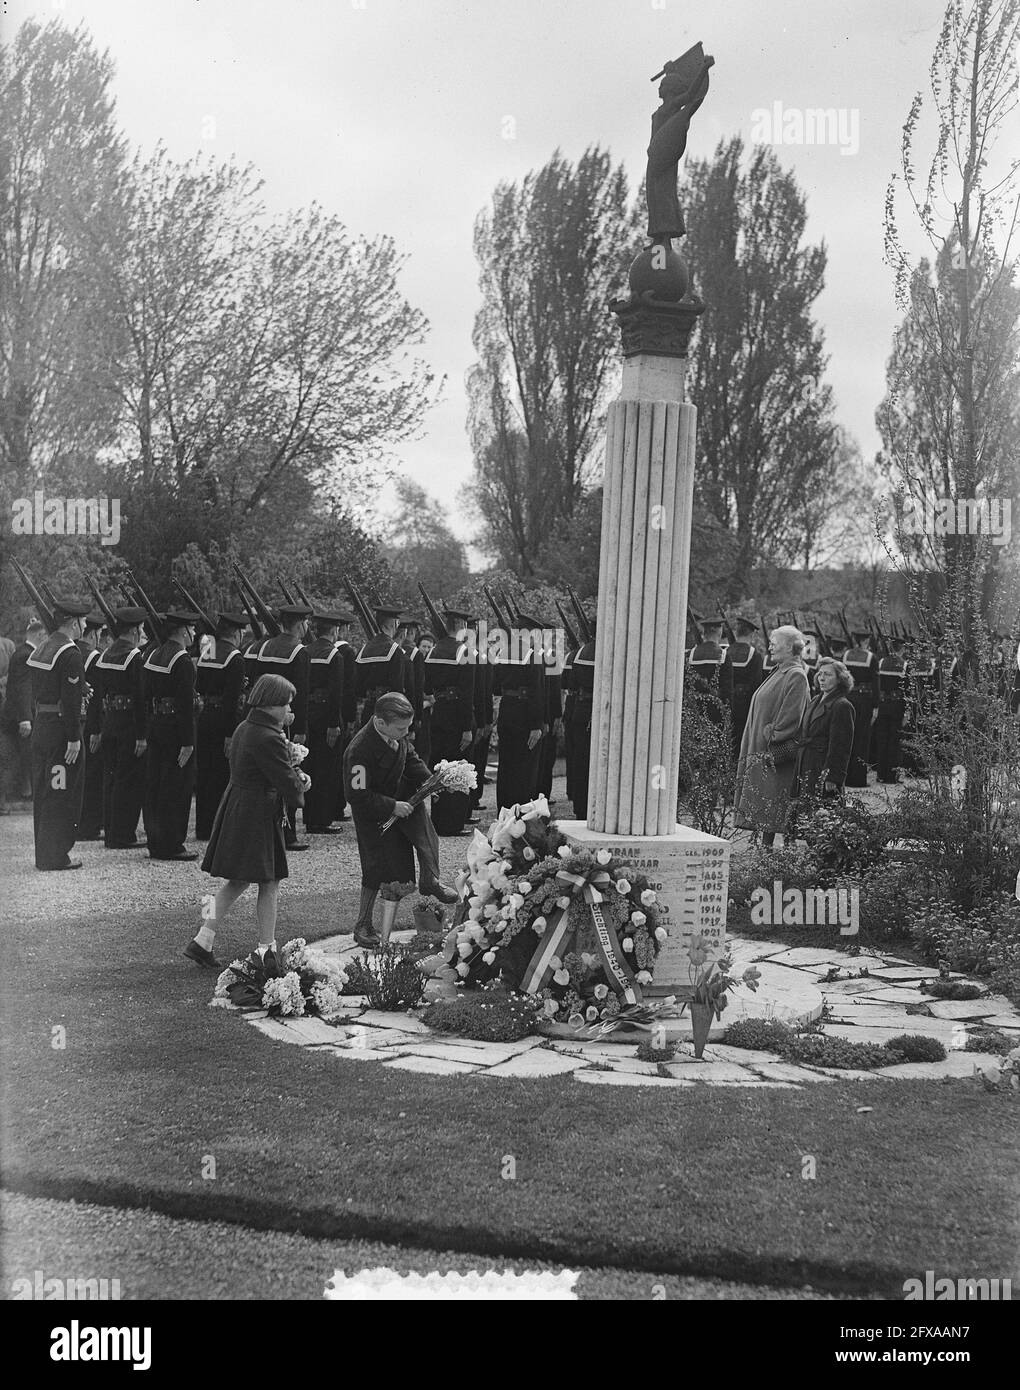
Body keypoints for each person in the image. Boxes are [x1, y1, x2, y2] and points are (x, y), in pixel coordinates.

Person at [187, 674, 311, 969]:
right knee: (269, 881)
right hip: (257, 811)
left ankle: (203, 938)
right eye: (287, 704)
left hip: (240, 805)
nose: (289, 711)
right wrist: (302, 781)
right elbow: (289, 787)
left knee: (237, 881)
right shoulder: (268, 737)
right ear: (272, 705)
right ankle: (266, 950)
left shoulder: (246, 727)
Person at [343, 691, 457, 950]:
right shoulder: (358, 751)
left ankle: (431, 881)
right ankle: (363, 924)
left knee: (427, 837)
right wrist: (392, 806)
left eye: (408, 727)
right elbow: (357, 795)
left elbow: (411, 761)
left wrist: (431, 784)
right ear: (380, 723)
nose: (406, 733)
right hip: (375, 814)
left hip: (403, 801)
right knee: (377, 869)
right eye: (401, 728)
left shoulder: (397, 735)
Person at [26, 595, 92, 869]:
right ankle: (54, 855)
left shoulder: (42, 649)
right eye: (84, 620)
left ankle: (45, 853)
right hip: (61, 734)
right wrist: (74, 738)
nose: (86, 625)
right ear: (74, 623)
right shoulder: (70, 654)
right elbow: (71, 701)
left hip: (42, 727)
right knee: (61, 791)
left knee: (45, 791)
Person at [733, 624, 810, 848]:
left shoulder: (795, 675)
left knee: (772, 802)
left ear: (789, 648)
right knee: (766, 803)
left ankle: (772, 854)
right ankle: (764, 850)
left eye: (775, 644)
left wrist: (771, 734)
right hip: (761, 749)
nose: (770, 648)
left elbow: (792, 716)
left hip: (772, 755)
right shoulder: (780, 671)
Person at [251, 602, 312, 851]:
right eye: (306, 623)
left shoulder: (265, 647)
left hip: (263, 717)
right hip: (286, 719)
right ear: (299, 625)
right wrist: (302, 728)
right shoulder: (299, 651)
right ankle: (288, 833)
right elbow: (303, 693)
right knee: (288, 772)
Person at [143, 608, 200, 861]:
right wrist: (188, 742)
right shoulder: (182, 660)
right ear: (184, 631)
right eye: (192, 628)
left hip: (157, 724)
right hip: (176, 731)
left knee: (156, 785)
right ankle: (172, 843)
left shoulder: (155, 654)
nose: (195, 633)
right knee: (176, 787)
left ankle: (155, 841)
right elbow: (186, 705)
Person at [94, 606, 149, 848]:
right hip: (128, 725)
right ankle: (123, 835)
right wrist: (141, 735)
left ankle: (110, 831)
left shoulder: (105, 655)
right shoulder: (133, 656)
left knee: (111, 778)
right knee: (128, 781)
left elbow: (98, 695)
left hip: (110, 722)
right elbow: (140, 698)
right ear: (136, 629)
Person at [194, 611, 247, 839]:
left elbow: (201, 685)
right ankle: (219, 826)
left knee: (205, 772)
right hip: (224, 720)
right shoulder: (235, 658)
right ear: (236, 633)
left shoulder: (209, 649)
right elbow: (232, 700)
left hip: (206, 715)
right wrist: (230, 734)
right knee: (221, 775)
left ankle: (204, 827)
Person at [789, 658, 855, 837]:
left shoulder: (842, 705)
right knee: (806, 817)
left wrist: (833, 777)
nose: (822, 678)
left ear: (840, 679)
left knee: (825, 819)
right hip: (806, 763)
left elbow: (840, 746)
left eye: (828, 674)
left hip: (822, 767)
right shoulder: (816, 699)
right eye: (820, 674)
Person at [423, 608, 475, 836]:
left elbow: (426, 687)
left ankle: (438, 818)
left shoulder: (434, 649)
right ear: (462, 625)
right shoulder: (464, 651)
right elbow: (467, 693)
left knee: (439, 766)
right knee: (458, 767)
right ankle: (453, 822)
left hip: (439, 712)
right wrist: (467, 727)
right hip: (456, 715)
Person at [303, 609, 346, 832]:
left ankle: (310, 816)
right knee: (327, 768)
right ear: (335, 631)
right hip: (326, 715)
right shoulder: (334, 655)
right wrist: (334, 724)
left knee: (310, 764)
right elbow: (336, 692)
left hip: (309, 712)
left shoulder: (305, 651)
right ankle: (321, 819)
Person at [1, 613, 44, 810]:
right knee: (22, 759)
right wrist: (25, 718)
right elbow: (22, 688)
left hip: (17, 715)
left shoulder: (22, 652)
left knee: (17, 759)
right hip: (21, 718)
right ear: (40, 635)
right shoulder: (27, 654)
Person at [76, 612, 106, 840]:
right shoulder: (93, 657)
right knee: (93, 775)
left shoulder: (73, 650)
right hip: (89, 724)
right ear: (95, 634)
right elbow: (96, 698)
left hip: (74, 721)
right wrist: (96, 729)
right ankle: (90, 825)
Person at [719, 616, 763, 757]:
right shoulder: (754, 655)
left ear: (736, 633)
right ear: (751, 634)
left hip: (725, 705)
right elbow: (756, 685)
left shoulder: (724, 653)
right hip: (744, 708)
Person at [873, 636, 908, 783]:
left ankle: (880, 773)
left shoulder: (882, 662)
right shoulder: (904, 665)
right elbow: (907, 690)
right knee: (894, 740)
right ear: (902, 649)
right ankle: (891, 775)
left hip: (883, 704)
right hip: (897, 706)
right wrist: (907, 711)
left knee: (882, 739)